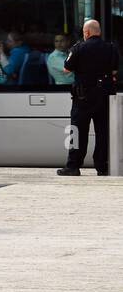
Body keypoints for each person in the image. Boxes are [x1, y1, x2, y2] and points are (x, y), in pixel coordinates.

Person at [59, 19, 119, 176]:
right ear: (98, 32)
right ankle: (102, 166)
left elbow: (66, 68)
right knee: (103, 132)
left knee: (77, 131)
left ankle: (73, 166)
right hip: (105, 97)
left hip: (83, 98)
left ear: (86, 33)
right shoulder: (111, 48)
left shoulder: (79, 48)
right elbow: (114, 71)